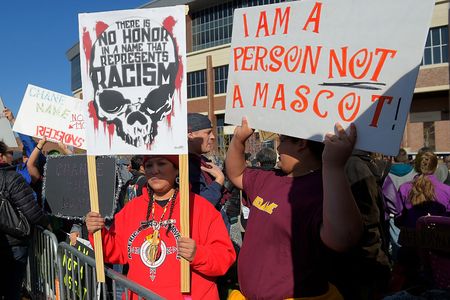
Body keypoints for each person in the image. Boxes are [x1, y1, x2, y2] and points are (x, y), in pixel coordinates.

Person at [225, 118, 363, 299]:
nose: (278, 148)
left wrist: (334, 167)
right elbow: (237, 174)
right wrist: (238, 140)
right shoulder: (270, 178)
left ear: (302, 144)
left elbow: (343, 238)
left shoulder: (325, 188)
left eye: (282, 141)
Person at [85, 155, 236, 299]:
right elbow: (114, 252)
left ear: (177, 168)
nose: (155, 170)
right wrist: (98, 232)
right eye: (149, 165)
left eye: (162, 163)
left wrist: (198, 254)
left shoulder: (201, 208)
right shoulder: (132, 209)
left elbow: (225, 258)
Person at [0, 141, 49, 299]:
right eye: (9, 154)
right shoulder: (12, 178)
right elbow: (32, 212)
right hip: (14, 243)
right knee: (11, 289)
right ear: (1, 157)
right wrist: (46, 223)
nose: (11, 157)